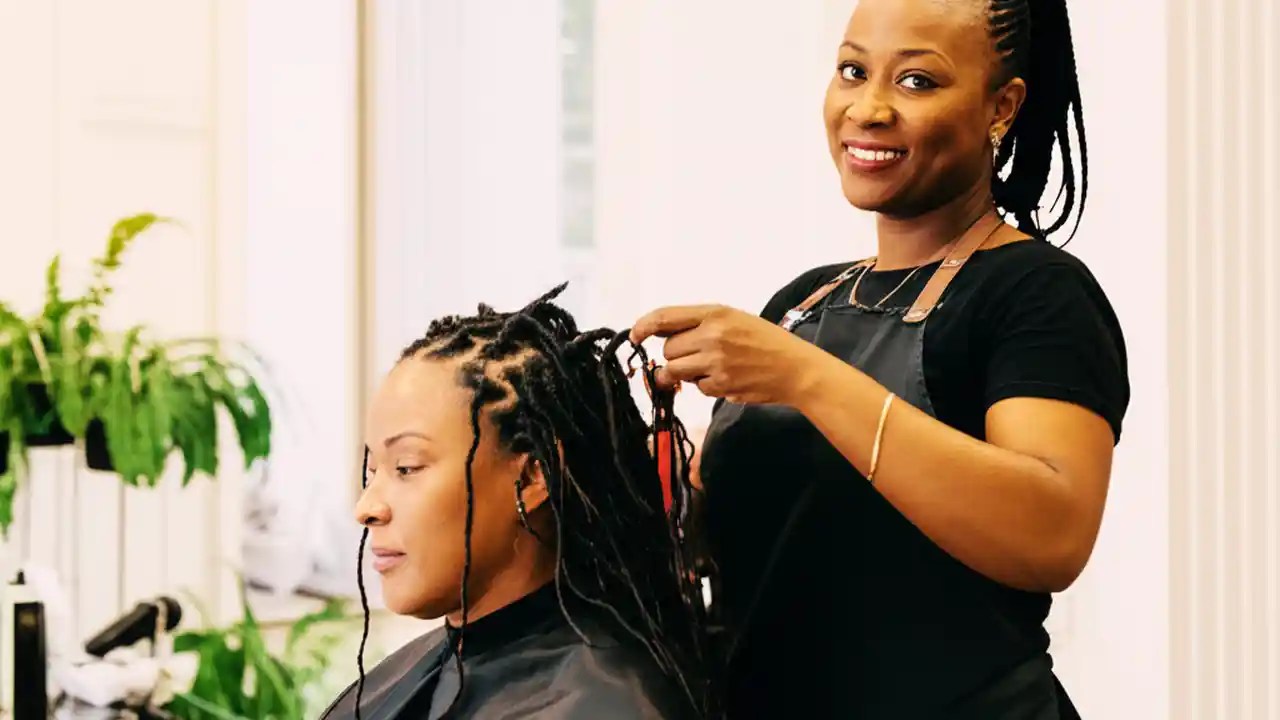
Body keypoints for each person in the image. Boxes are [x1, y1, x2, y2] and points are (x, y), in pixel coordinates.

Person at [630, 0, 1128, 717]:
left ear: (1001, 106)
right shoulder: (804, 303)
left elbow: (1051, 533)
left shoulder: (1036, 294)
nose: (868, 108)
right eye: (852, 70)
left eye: (917, 82)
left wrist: (803, 378)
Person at [322, 287, 712, 719]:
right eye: (373, 470)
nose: (367, 507)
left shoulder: (600, 705)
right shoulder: (429, 665)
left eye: (407, 467)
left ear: (530, 477)